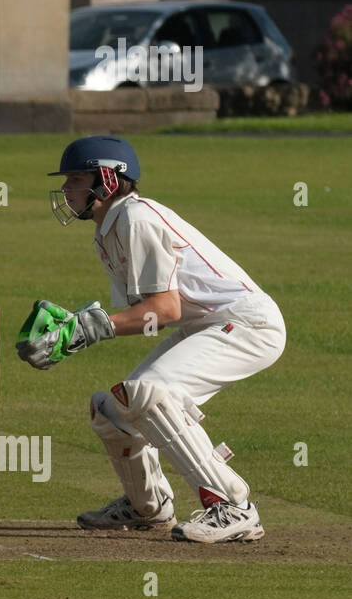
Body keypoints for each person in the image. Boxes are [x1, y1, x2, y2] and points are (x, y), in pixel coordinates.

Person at [15, 136, 284, 543]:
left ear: (106, 180)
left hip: (248, 324)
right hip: (208, 325)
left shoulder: (136, 218)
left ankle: (232, 505)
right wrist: (73, 326)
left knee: (149, 393)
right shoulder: (108, 231)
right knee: (112, 411)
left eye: (75, 178)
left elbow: (166, 309)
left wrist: (87, 328)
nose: (67, 189)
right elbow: (142, 316)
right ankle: (148, 506)